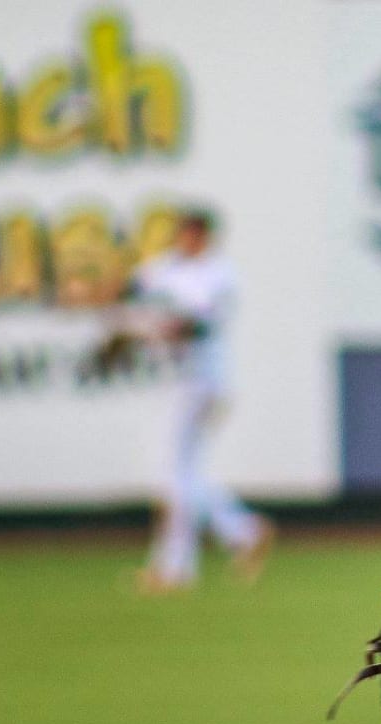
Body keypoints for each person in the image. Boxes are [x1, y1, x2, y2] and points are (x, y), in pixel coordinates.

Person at [128, 210, 274, 594]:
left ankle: (175, 567)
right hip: (174, 383)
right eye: (185, 233)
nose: (189, 239)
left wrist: (149, 325)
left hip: (202, 384)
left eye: (196, 234)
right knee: (183, 473)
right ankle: (243, 530)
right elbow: (128, 290)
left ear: (207, 237)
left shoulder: (218, 274)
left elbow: (196, 325)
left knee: (173, 474)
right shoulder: (165, 269)